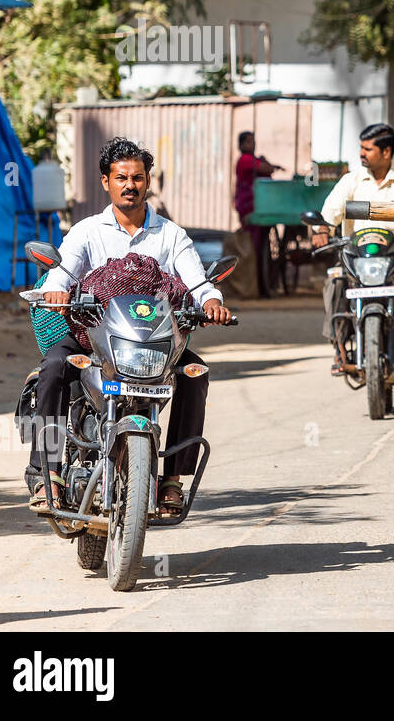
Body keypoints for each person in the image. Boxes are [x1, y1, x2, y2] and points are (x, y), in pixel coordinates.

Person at [27, 137, 234, 513]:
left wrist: (212, 302)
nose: (130, 185)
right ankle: (47, 474)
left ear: (148, 180)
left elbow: (197, 281)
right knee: (55, 368)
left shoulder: (170, 235)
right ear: (106, 182)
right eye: (121, 177)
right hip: (93, 341)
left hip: (153, 345)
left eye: (137, 177)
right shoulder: (88, 231)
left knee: (194, 372)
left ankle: (172, 480)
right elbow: (61, 274)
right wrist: (56, 293)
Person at [311, 124, 394, 374]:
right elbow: (329, 212)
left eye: (368, 149)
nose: (361, 154)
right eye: (361, 148)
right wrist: (321, 231)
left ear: (386, 152)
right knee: (334, 283)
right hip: (356, 260)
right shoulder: (350, 181)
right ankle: (340, 349)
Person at [234, 131, 282, 297]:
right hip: (249, 208)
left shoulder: (253, 159)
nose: (252, 145)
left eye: (253, 141)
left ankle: (262, 285)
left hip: (258, 207)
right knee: (254, 249)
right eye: (248, 142)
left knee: (260, 247)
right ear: (240, 145)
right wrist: (267, 164)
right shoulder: (245, 160)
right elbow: (267, 169)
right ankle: (257, 286)